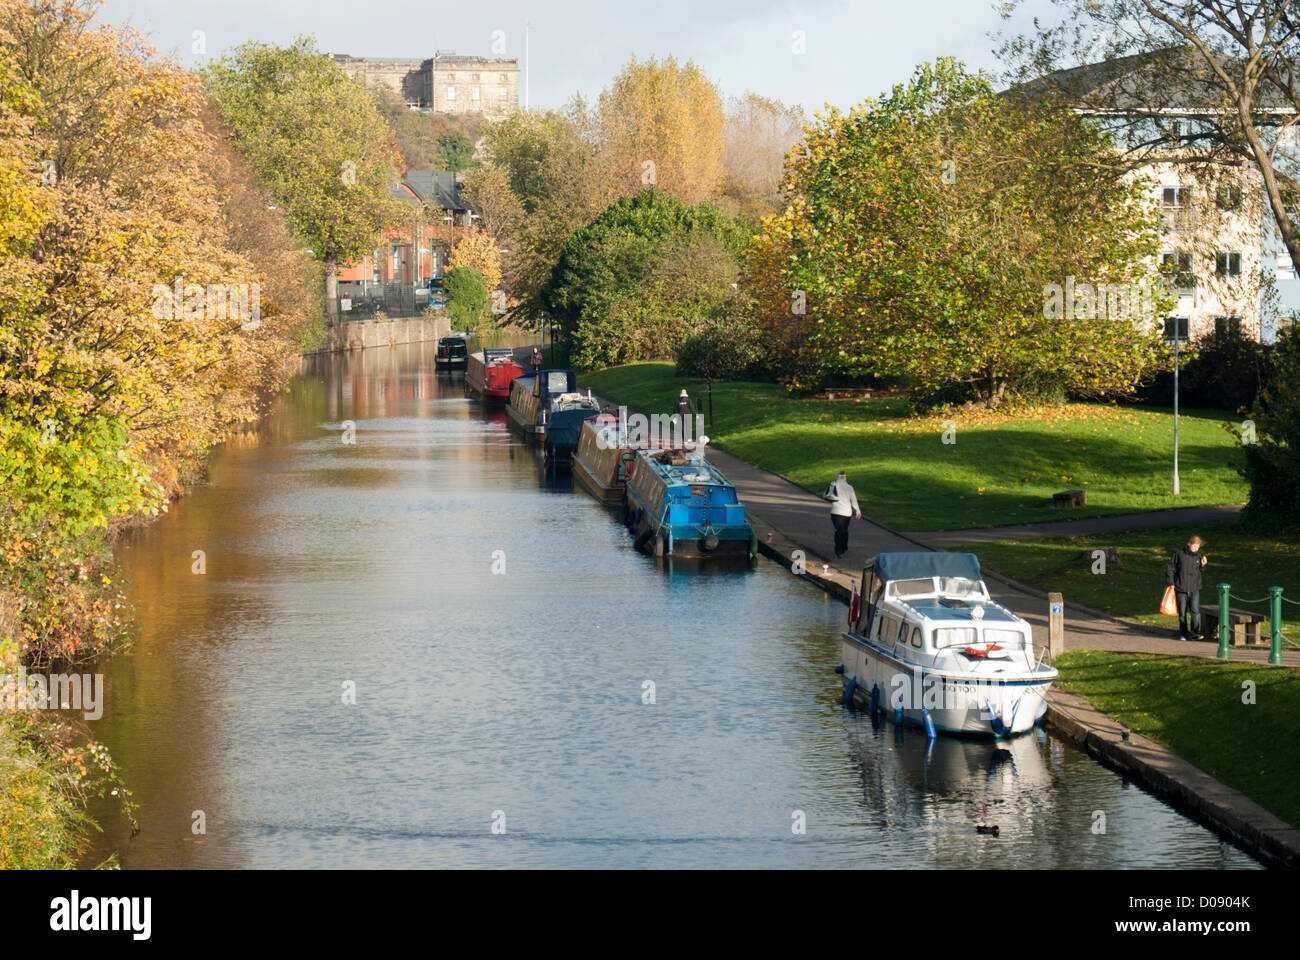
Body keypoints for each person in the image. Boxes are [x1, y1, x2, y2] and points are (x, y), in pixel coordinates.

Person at [1165, 535, 1209, 640]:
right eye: (1194, 546)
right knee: (1182, 612)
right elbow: (1170, 568)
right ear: (1189, 544)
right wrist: (1170, 582)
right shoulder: (1179, 554)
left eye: (1198, 547)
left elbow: (1200, 571)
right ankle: (1183, 633)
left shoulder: (1198, 556)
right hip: (1181, 588)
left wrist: (1203, 565)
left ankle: (1195, 632)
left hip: (1194, 588)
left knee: (1194, 611)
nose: (1196, 549)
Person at [825, 470, 862, 559]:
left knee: (839, 530)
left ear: (838, 476)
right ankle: (843, 547)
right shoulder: (849, 487)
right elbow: (854, 500)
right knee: (844, 530)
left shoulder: (833, 484)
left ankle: (838, 549)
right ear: (845, 477)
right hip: (846, 513)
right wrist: (858, 511)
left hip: (835, 512)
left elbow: (827, 495)